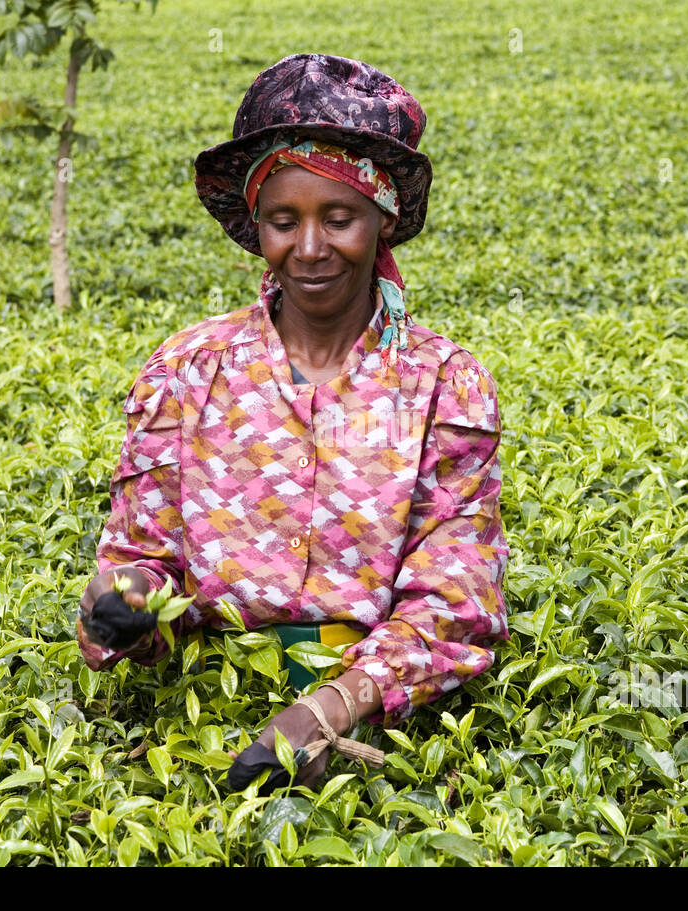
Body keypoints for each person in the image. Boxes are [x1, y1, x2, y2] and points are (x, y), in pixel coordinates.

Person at [75, 53, 508, 792]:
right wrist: (125, 606)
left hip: (381, 727)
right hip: (196, 717)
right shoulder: (187, 369)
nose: (309, 249)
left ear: (383, 221)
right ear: (257, 229)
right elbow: (145, 556)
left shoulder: (444, 384)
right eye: (284, 222)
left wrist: (330, 710)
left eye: (338, 218)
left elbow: (455, 601)